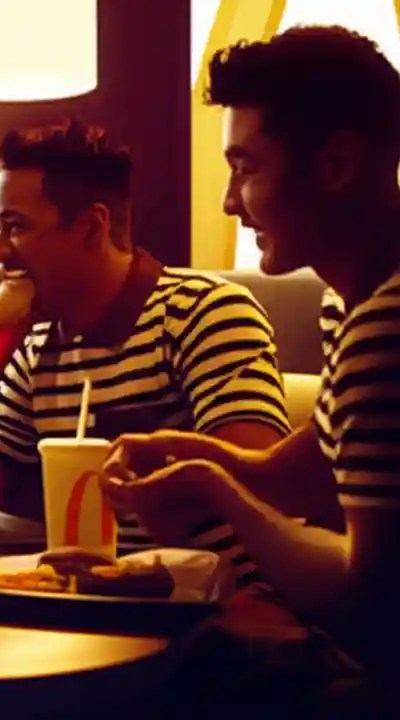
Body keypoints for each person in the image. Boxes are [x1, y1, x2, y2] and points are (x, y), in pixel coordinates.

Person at [102, 26, 400, 696]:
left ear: (336, 165)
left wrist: (216, 493)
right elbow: (312, 477)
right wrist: (198, 459)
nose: (229, 203)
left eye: (246, 168)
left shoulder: (387, 326)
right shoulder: (351, 302)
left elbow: (371, 610)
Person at [0, 120, 300, 541]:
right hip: (77, 596)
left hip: (211, 596)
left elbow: (258, 486)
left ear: (93, 227)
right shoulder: (33, 354)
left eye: (16, 226)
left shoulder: (205, 313)